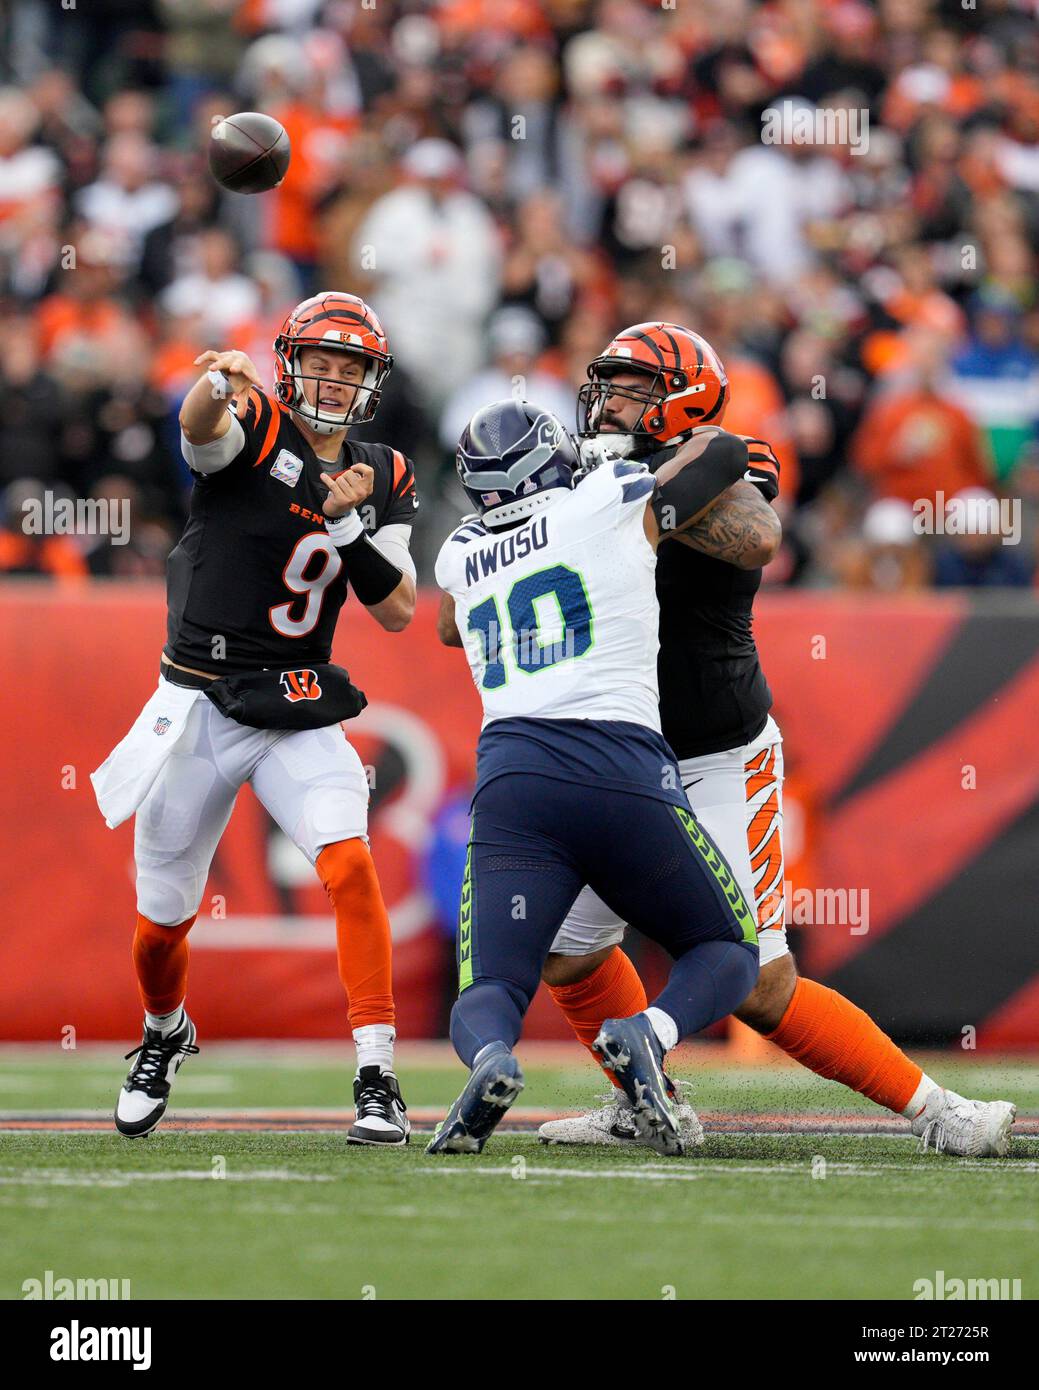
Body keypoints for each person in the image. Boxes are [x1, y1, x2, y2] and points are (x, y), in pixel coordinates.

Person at [536, 320, 1016, 1158]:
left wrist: (627, 492)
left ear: (679, 400)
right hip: (615, 749)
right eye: (607, 382)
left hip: (715, 749)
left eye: (632, 386)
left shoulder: (724, 456)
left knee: (759, 982)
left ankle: (939, 1112)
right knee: (568, 953)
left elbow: (756, 535)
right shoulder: (587, 474)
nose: (609, 401)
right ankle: (643, 1104)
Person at [91, 292, 419, 1146]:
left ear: (372, 381)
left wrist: (348, 520)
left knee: (349, 866)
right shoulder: (256, 427)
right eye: (322, 362)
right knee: (162, 922)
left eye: (352, 368)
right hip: (199, 703)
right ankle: (164, 1033)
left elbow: (397, 609)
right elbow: (203, 432)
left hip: (294, 703)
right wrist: (213, 381)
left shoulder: (381, 472)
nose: (335, 380)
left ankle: (377, 1072)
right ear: (287, 364)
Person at [430, 398, 762, 1156]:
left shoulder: (456, 552)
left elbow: (451, 622)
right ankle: (647, 1031)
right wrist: (633, 448)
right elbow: (721, 454)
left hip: (511, 778)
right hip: (618, 764)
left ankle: (491, 1059)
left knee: (492, 988)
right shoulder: (603, 499)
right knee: (726, 950)